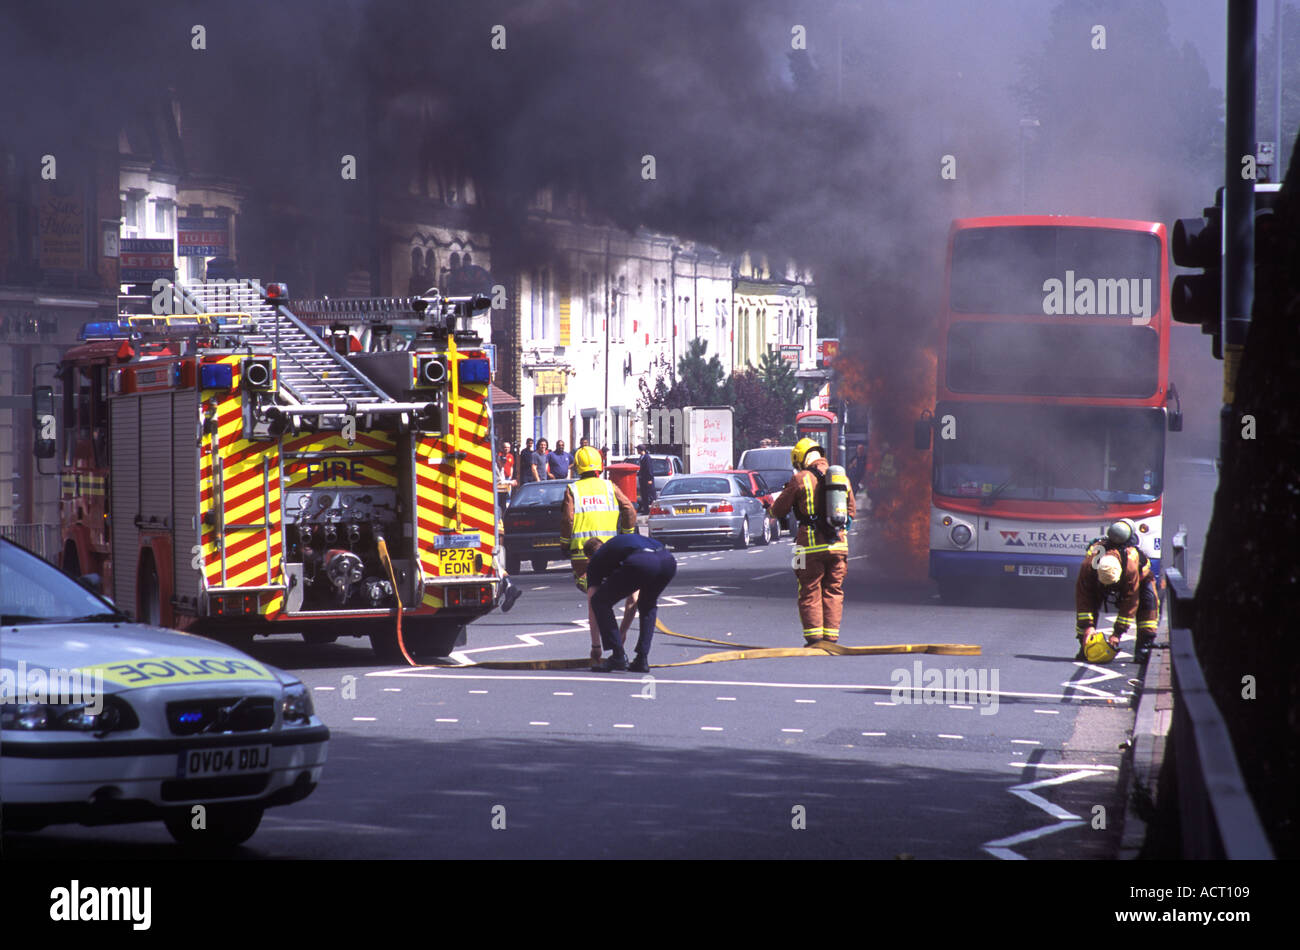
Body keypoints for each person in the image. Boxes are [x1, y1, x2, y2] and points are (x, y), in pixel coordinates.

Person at [770, 437, 857, 647]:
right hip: (839, 546)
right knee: (834, 589)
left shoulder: (801, 479)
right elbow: (852, 512)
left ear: (800, 459)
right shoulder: (841, 478)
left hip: (806, 547)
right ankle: (831, 638)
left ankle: (814, 639)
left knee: (808, 588)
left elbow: (779, 510)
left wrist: (771, 510)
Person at [560, 445, 638, 661]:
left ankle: (596, 648)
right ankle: (620, 637)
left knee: (594, 599)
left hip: (582, 556)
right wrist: (627, 534)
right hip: (612, 553)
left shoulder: (573, 489)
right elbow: (630, 510)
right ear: (599, 467)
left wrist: (564, 543)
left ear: (577, 468)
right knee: (632, 595)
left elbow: (567, 519)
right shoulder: (609, 486)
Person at [583, 535, 677, 673]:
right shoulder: (619, 549)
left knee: (600, 601)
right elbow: (634, 600)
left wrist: (596, 646)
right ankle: (642, 659)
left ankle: (618, 657)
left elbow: (593, 605)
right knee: (648, 605)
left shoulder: (595, 562)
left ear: (588, 558)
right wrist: (621, 633)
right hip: (668, 561)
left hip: (644, 561)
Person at [1074, 519, 1160, 664]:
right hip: (1098, 582)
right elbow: (1083, 597)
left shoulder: (1131, 566)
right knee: (1088, 605)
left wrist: (1117, 634)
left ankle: (1143, 648)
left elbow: (1131, 600)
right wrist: (1088, 626)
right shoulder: (1090, 564)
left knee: (1148, 603)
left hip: (1141, 580)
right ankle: (1085, 646)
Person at [635, 443, 655, 515]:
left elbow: (649, 469)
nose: (637, 451)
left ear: (641, 450)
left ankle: (653, 510)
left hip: (647, 480)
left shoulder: (647, 457)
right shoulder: (641, 457)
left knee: (650, 496)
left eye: (638, 449)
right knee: (644, 495)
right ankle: (646, 510)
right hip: (642, 479)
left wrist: (649, 479)